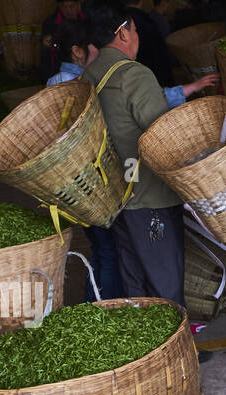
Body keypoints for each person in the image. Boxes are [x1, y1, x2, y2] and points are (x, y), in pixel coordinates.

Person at [83, 5, 189, 326]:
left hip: (115, 195)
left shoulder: (88, 75)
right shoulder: (134, 75)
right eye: (136, 31)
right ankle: (175, 346)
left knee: (134, 279)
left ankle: (146, 349)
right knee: (165, 277)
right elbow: (162, 135)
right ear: (124, 32)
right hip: (149, 195)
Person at [46, 22, 123, 304]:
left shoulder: (65, 80)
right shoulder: (69, 84)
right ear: (77, 51)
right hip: (85, 182)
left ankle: (95, 303)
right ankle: (101, 307)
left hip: (79, 183)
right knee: (107, 248)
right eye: (94, 49)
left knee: (102, 246)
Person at [125, 0, 173, 86]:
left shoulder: (118, 21)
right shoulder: (146, 20)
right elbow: (159, 50)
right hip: (154, 72)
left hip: (134, 75)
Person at [41, 0, 83, 77]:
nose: (68, 11)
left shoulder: (87, 20)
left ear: (78, 5)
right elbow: (46, 49)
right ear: (59, 6)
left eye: (71, 6)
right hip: (58, 69)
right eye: (64, 7)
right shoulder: (50, 23)